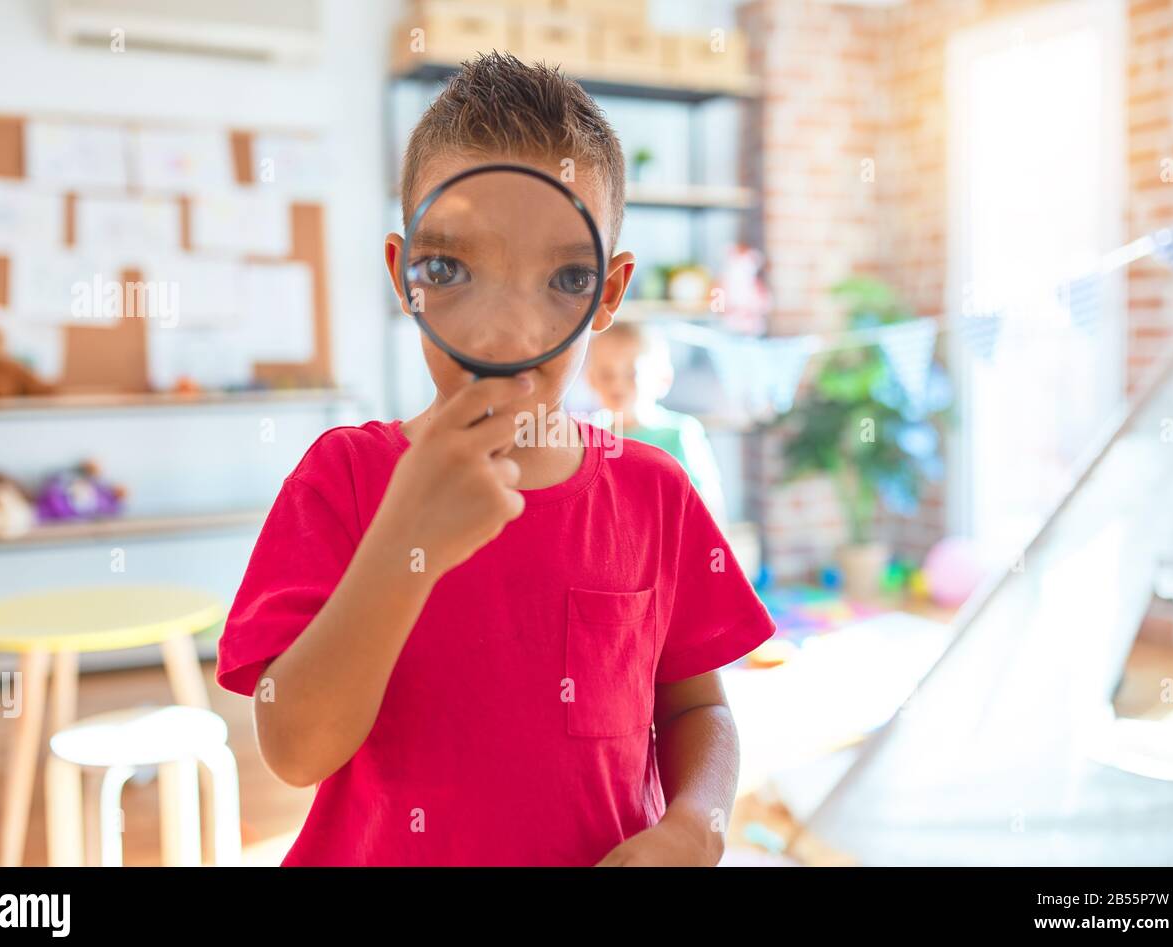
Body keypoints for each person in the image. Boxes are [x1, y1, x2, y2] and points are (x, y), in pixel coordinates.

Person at [216, 53, 774, 866]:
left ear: (609, 296)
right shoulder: (343, 477)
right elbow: (295, 748)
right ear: (405, 276)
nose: (507, 332)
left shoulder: (654, 492)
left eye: (566, 276)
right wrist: (406, 541)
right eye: (450, 268)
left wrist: (697, 825)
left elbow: (699, 711)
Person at [586, 322, 727, 523]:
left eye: (631, 373)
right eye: (606, 375)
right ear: (591, 380)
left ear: (663, 380)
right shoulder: (588, 438)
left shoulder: (679, 433)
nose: (617, 384)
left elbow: (708, 507)